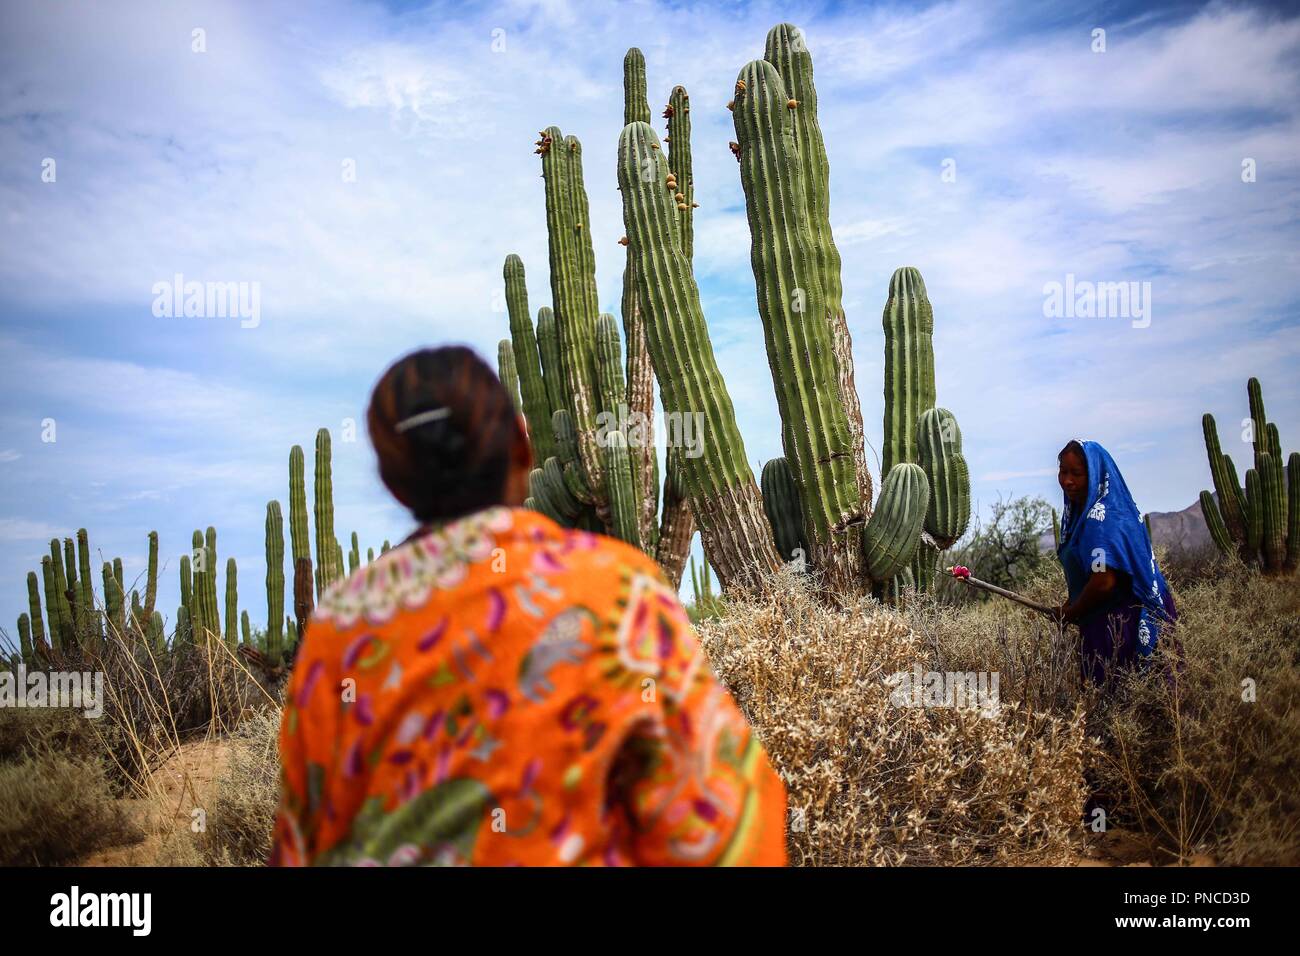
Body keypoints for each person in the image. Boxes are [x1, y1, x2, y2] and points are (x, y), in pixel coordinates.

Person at [269, 345, 787, 866]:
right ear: (523, 442)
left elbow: (302, 841)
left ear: (392, 484)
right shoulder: (616, 590)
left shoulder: (341, 625)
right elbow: (731, 829)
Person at [1053, 439, 1177, 685]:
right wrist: (1070, 605)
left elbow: (1103, 581)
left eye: (1076, 473)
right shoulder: (1081, 515)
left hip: (1123, 625)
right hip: (1104, 621)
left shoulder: (1102, 519)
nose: (1067, 481)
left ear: (1095, 475)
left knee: (1127, 702)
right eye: (1063, 471)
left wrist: (1071, 612)